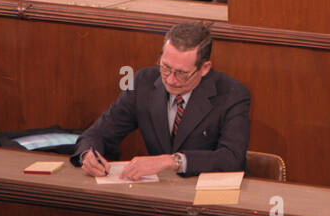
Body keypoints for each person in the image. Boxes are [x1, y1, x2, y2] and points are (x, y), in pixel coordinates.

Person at [71, 22, 249, 179]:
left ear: (204, 68)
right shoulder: (144, 82)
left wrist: (173, 161)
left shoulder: (232, 94)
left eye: (181, 73)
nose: (170, 80)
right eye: (165, 67)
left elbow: (231, 158)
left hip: (206, 197)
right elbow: (97, 134)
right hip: (158, 194)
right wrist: (88, 154)